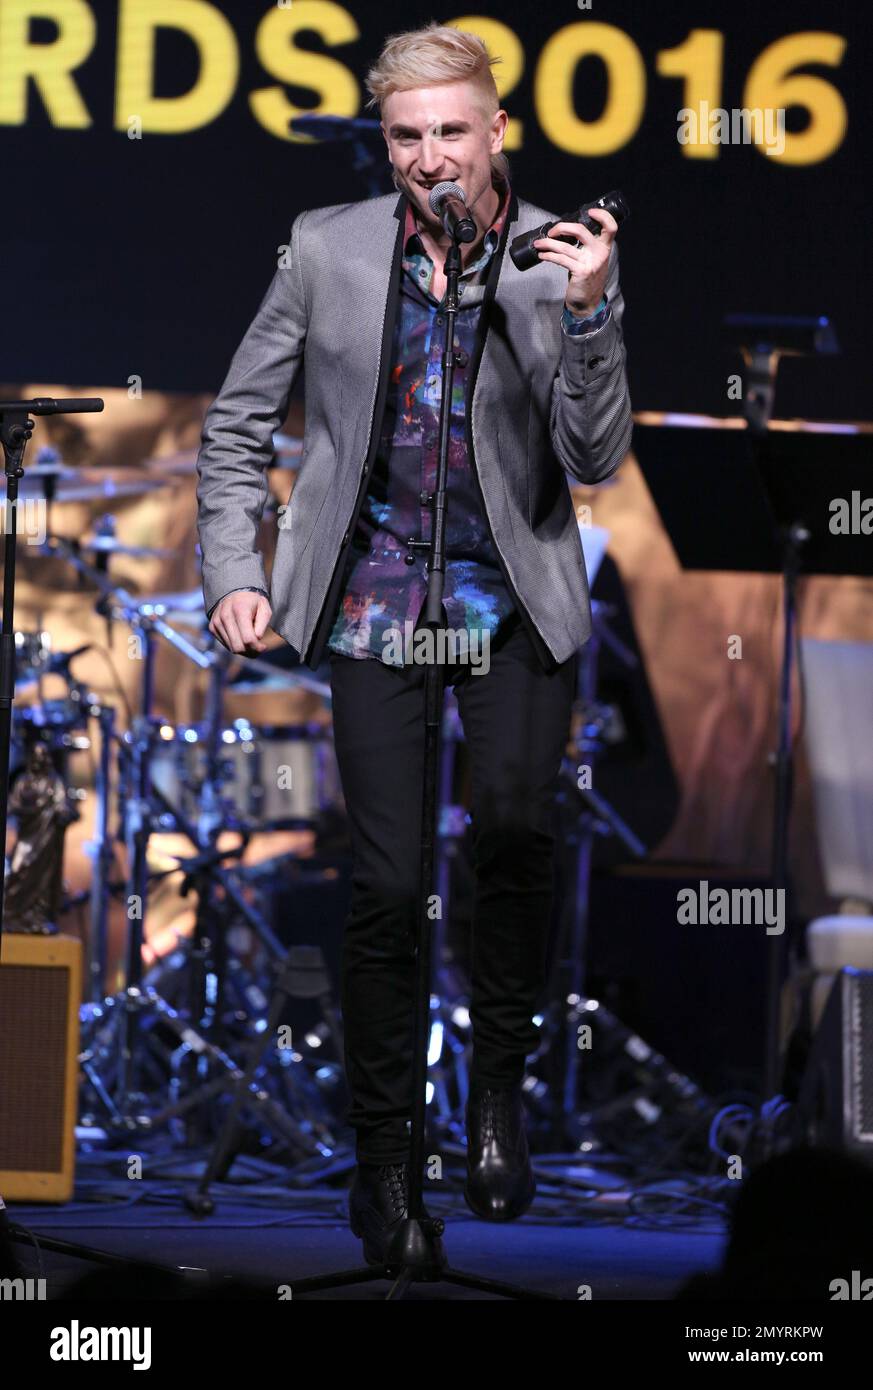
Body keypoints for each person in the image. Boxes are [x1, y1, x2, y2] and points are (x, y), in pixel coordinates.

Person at [196, 22, 632, 1266]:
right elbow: (236, 428)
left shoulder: (562, 259)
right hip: (377, 596)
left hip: (512, 597)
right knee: (386, 887)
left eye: (453, 130)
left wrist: (592, 316)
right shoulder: (327, 250)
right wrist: (238, 572)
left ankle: (496, 1089)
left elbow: (596, 457)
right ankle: (384, 1173)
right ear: (383, 145)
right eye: (407, 137)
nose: (432, 157)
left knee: (511, 838)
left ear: (499, 130)